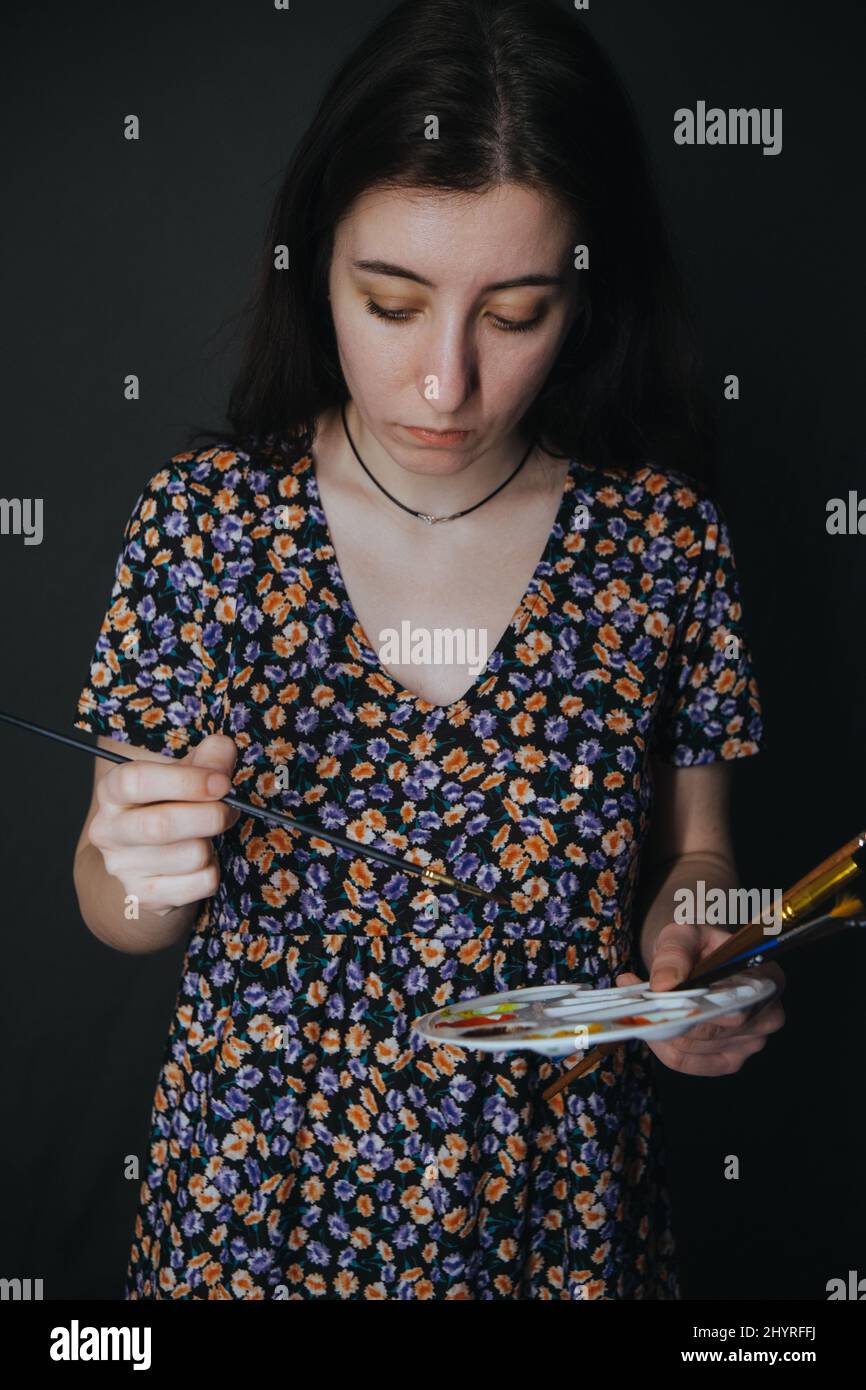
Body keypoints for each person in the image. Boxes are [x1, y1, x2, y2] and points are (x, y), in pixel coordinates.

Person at [72, 0, 784, 1300]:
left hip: (554, 1202)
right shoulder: (207, 518)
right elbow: (120, 906)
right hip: (254, 1198)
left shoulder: (660, 541)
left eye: (513, 313)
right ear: (315, 263)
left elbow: (698, 854)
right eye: (391, 302)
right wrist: (141, 865)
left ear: (585, 288)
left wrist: (707, 949)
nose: (443, 383)